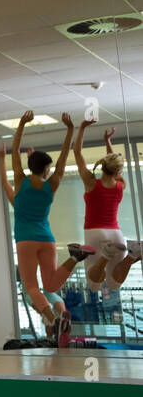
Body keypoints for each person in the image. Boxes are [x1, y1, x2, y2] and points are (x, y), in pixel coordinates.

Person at [10, 111, 95, 345]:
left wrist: (21, 124)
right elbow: (63, 157)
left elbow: (15, 150)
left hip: (25, 240)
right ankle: (74, 257)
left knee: (31, 286)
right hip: (46, 238)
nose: (50, 170)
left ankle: (53, 319)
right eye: (48, 167)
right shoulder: (52, 184)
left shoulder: (20, 179)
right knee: (50, 285)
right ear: (45, 168)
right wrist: (69, 130)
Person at [73, 121, 143, 297]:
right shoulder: (120, 184)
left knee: (95, 285)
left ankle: (107, 255)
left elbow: (77, 152)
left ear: (104, 165)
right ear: (117, 171)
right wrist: (107, 142)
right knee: (113, 282)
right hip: (115, 233)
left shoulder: (91, 183)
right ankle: (132, 256)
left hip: (95, 233)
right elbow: (113, 163)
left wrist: (82, 127)